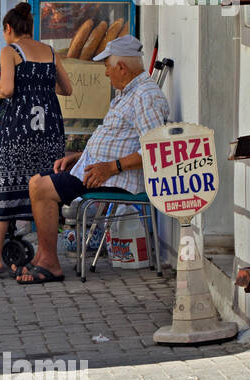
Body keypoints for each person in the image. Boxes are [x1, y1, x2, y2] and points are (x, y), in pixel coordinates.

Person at [17, 35, 169, 284]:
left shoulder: (145, 96)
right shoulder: (128, 92)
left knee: (40, 188)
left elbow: (156, 150)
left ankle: (50, 264)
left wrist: (111, 167)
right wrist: (79, 156)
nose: (107, 73)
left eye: (108, 66)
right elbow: (117, 139)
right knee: (38, 179)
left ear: (122, 67)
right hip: (97, 169)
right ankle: (43, 257)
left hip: (117, 178)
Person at [0, 2, 72, 278]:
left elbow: (6, 88)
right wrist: (40, 86)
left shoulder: (10, 51)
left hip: (18, 131)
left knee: (1, 188)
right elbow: (66, 88)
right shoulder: (50, 52)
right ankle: (45, 256)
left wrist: (2, 95)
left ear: (8, 29)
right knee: (45, 192)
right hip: (50, 133)